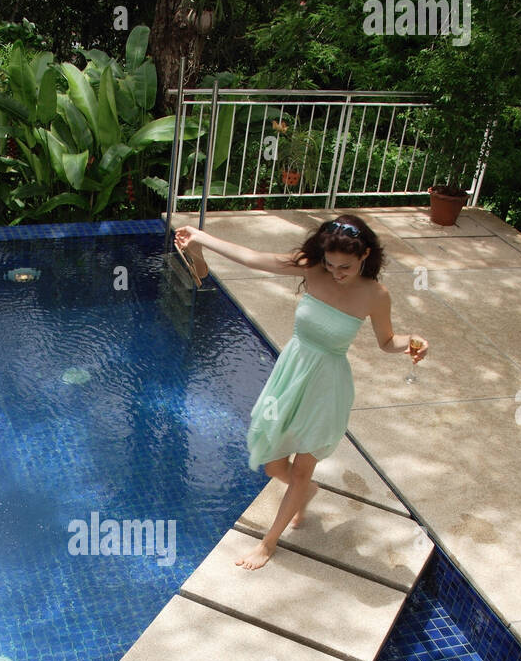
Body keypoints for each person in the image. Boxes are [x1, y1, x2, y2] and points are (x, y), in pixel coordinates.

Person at [174, 215, 428, 570]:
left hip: (328, 386)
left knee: (302, 469)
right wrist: (202, 236)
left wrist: (411, 344)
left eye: (346, 267)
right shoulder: (312, 269)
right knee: (274, 464)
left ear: (365, 256)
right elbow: (251, 257)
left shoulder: (375, 294)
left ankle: (268, 542)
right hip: (291, 375)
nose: (337, 273)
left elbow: (387, 341)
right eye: (331, 263)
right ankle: (303, 494)